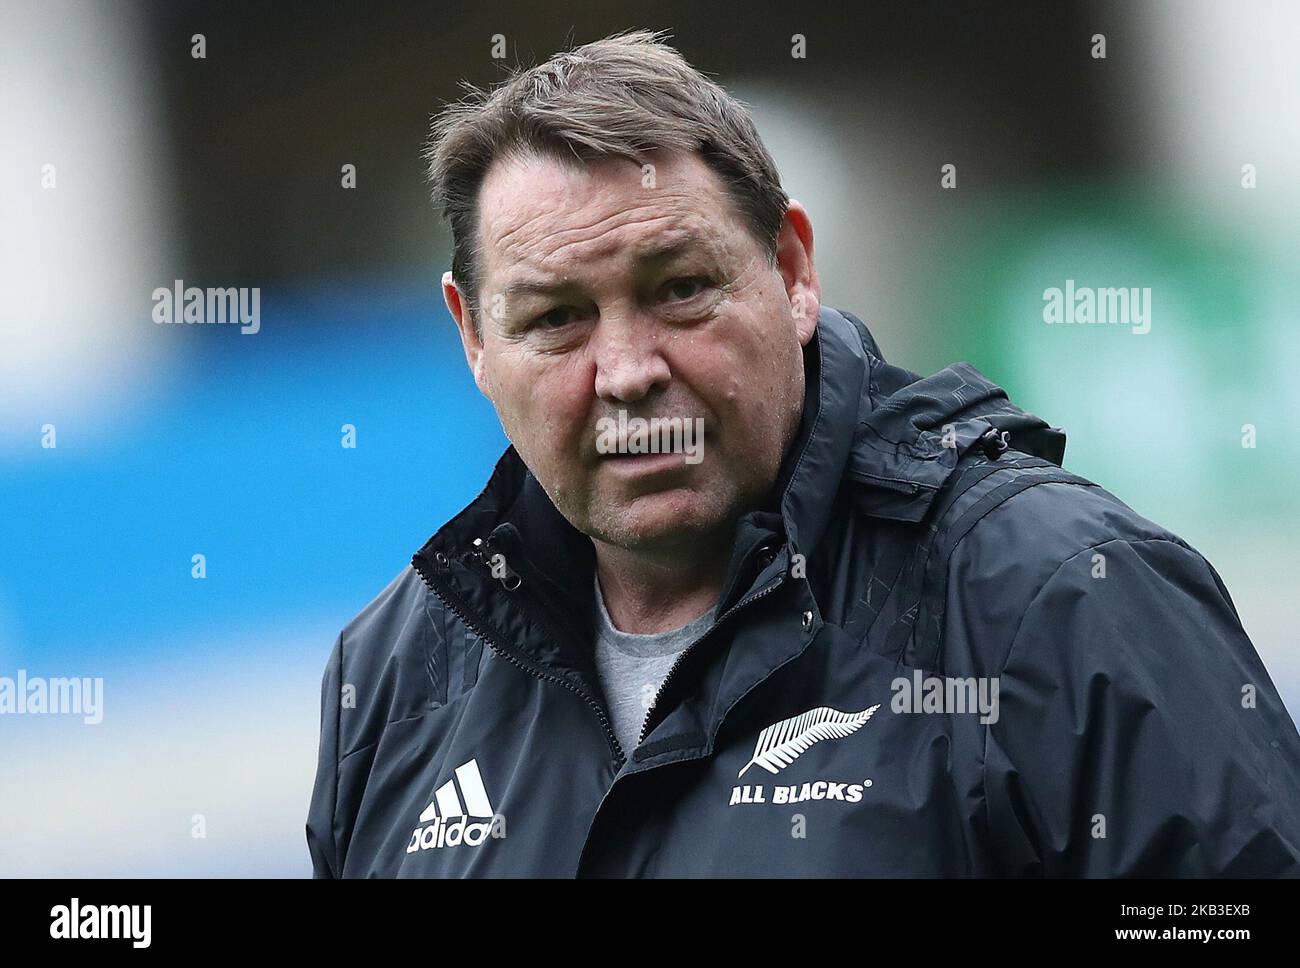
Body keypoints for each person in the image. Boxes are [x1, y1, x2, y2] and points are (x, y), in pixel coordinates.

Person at [307, 30, 1300, 877]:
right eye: (557, 318)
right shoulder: (393, 679)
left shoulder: (1057, 597)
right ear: (473, 336)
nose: (625, 370)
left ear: (789, 270)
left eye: (680, 287)